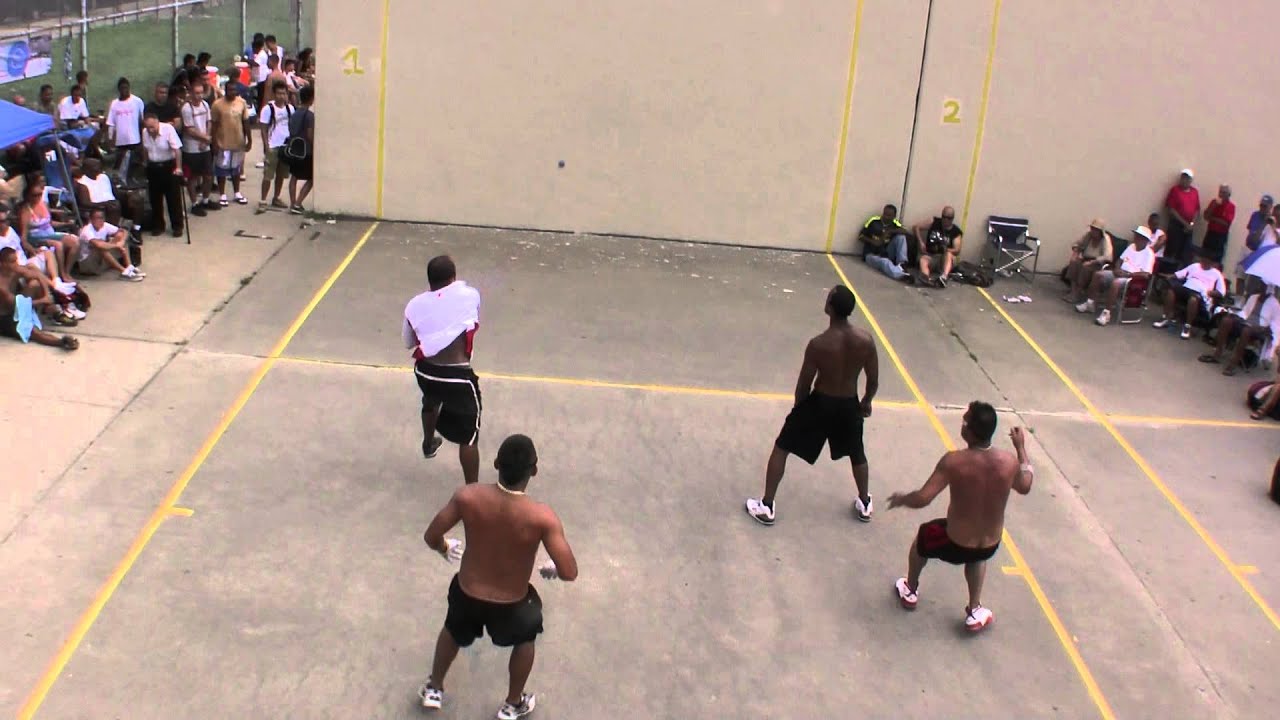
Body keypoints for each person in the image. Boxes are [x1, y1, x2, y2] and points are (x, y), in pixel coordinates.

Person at [418, 434, 578, 719]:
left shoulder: (468, 497)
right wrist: (553, 568)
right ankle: (512, 703)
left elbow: (432, 535)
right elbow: (569, 572)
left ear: (495, 463)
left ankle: (434, 687)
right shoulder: (542, 517)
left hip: (468, 591)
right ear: (535, 470)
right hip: (513, 603)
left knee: (452, 631)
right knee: (526, 639)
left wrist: (445, 548)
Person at [888, 401, 1032, 633]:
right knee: (977, 558)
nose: (962, 423)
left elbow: (924, 498)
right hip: (990, 543)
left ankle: (910, 589)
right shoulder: (1009, 462)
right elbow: (1025, 485)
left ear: (970, 431)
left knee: (923, 539)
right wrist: (1021, 448)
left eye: (964, 420)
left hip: (954, 540)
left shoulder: (954, 462)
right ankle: (974, 610)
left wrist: (902, 499)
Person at [746, 285, 879, 525]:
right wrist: (866, 402)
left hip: (821, 403)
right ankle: (865, 503)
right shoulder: (866, 341)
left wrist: (798, 411)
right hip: (848, 405)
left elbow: (803, 385)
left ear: (829, 307)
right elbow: (873, 379)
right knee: (857, 452)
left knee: (782, 446)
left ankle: (766, 505)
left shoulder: (819, 344)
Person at [405, 256, 483, 483]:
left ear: (429, 281)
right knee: (469, 437)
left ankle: (428, 443)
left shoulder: (414, 305)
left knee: (431, 399)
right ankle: (472, 491)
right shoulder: (470, 295)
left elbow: (408, 342)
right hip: (458, 378)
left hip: (425, 372)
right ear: (454, 277)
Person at [0, 247, 79, 350]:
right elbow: (16, 304)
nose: (16, 263)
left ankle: (54, 312)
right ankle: (62, 342)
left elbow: (38, 276)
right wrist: (42, 300)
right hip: (6, 316)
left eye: (16, 260)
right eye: (12, 262)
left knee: (34, 284)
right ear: (2, 264)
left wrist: (47, 295)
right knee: (32, 331)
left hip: (20, 306)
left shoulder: (16, 269)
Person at [1077, 226, 1155, 326]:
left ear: (1144, 240)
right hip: (1120, 272)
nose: (1135, 237)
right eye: (1136, 235)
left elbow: (1146, 274)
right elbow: (1119, 260)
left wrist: (1128, 274)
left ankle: (1106, 313)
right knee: (1098, 275)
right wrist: (1117, 269)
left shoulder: (1149, 254)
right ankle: (1090, 303)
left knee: (1116, 283)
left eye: (1138, 236)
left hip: (1132, 279)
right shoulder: (1131, 247)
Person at [1199, 284, 1280, 376]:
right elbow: (1245, 312)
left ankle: (1233, 363)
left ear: (1269, 290)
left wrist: (1269, 333)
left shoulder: (1275, 304)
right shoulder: (1253, 297)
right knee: (1227, 320)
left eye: (1263, 287)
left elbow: (1276, 326)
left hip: (1260, 329)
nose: (1260, 288)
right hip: (1246, 323)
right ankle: (1217, 354)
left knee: (1246, 330)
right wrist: (1235, 316)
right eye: (1261, 286)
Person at [17, 178, 80, 286]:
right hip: (35, 237)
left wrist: (65, 224)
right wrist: (31, 249)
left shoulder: (42, 204)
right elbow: (23, 236)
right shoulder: (25, 211)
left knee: (75, 241)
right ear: (28, 195)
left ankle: (66, 271)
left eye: (40, 194)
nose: (38, 197)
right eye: (34, 195)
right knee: (58, 245)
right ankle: (62, 275)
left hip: (49, 233)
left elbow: (50, 223)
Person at [1152, 250, 1228, 339]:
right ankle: (1166, 318)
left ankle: (1187, 326)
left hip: (1200, 294)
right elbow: (1179, 274)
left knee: (1193, 299)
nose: (1204, 262)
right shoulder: (1194, 266)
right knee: (1171, 291)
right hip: (1186, 288)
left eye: (1207, 261)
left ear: (1212, 263)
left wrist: (1209, 292)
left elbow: (1222, 292)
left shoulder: (1217, 274)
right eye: (1203, 260)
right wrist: (1168, 276)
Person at [209, 75, 253, 206]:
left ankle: (237, 193)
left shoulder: (242, 103)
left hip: (238, 143)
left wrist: (249, 140)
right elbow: (214, 125)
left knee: (236, 169)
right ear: (225, 90)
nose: (232, 93)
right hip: (223, 143)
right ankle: (222, 195)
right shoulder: (217, 105)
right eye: (229, 90)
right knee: (221, 170)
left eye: (234, 90)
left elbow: (246, 122)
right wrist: (214, 142)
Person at [140, 113, 185, 237]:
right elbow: (145, 149)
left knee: (173, 199)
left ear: (157, 123)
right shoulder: (145, 133)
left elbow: (177, 150)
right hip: (153, 167)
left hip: (168, 166)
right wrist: (145, 163)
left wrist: (179, 167)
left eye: (152, 127)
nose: (150, 130)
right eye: (148, 127)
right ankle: (158, 225)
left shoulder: (168, 129)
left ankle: (177, 226)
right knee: (155, 199)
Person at [180, 78, 216, 215]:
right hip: (191, 149)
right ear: (190, 93)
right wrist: (205, 138)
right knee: (192, 177)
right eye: (196, 93)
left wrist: (206, 139)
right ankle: (194, 203)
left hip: (204, 147)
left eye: (201, 93)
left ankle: (205, 200)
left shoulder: (205, 105)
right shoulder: (186, 109)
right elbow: (189, 129)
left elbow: (209, 122)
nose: (199, 96)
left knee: (208, 175)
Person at [77, 208, 144, 281]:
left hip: (100, 262)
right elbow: (99, 245)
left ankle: (129, 267)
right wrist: (116, 245)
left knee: (120, 237)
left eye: (101, 218)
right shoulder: (87, 230)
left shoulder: (105, 225)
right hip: (88, 265)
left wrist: (122, 242)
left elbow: (123, 231)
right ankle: (124, 272)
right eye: (96, 218)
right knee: (102, 248)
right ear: (91, 219)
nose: (99, 220)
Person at [258, 82, 293, 210]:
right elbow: (263, 129)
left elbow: (291, 125)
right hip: (273, 146)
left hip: (285, 146)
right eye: (279, 93)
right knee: (268, 175)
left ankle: (276, 197)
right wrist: (266, 146)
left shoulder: (290, 108)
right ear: (274, 94)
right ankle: (263, 200)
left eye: (283, 93)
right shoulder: (268, 109)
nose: (281, 96)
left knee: (281, 174)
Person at [1063, 219, 1114, 303]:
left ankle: (1078, 293)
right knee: (1074, 263)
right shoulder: (1088, 235)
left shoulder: (1105, 239)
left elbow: (1108, 256)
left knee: (1085, 267)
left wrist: (1092, 262)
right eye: (1092, 228)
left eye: (1095, 229)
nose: (1093, 231)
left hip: (1097, 263)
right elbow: (1077, 244)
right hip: (1085, 258)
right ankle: (1073, 291)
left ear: (1100, 231)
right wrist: (1076, 251)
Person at [912, 206, 963, 287]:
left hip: (943, 258)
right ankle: (926, 277)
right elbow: (916, 227)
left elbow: (957, 250)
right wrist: (921, 242)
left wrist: (946, 249)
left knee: (949, 254)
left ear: (952, 219)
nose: (945, 220)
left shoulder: (955, 232)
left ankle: (944, 277)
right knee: (923, 259)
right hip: (931, 256)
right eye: (944, 217)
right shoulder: (934, 222)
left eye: (948, 218)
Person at [860, 205, 910, 282]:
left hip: (886, 252)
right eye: (885, 214)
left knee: (901, 237)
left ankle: (902, 264)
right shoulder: (874, 221)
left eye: (889, 215)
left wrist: (890, 231)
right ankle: (901, 275)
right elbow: (860, 236)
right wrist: (873, 242)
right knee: (885, 262)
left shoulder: (895, 223)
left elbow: (906, 231)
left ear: (894, 216)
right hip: (871, 254)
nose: (886, 217)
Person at [106, 78, 146, 172]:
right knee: (121, 162)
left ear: (129, 88)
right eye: (122, 88)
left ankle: (134, 179)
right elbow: (111, 123)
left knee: (135, 162)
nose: (124, 90)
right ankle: (121, 180)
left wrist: (143, 136)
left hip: (135, 139)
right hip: (120, 141)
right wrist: (110, 138)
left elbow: (143, 120)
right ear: (119, 89)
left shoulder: (137, 101)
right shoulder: (114, 104)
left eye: (126, 88)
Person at [287, 85, 315, 214]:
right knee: (311, 178)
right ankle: (298, 203)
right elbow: (310, 135)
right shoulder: (309, 116)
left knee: (294, 177)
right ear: (311, 98)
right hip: (307, 151)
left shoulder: (294, 113)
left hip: (294, 149)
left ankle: (293, 203)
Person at [1164, 169, 1200, 265]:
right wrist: (1185, 224)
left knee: (1185, 254)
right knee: (1172, 250)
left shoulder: (1194, 192)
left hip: (1189, 228)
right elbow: (1171, 209)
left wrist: (1191, 224)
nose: (1184, 180)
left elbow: (1197, 209)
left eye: (1187, 178)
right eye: (1183, 177)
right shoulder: (1175, 190)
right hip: (1176, 226)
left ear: (1190, 180)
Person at [1202, 184, 1236, 264]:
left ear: (1228, 194)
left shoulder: (1231, 206)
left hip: (1220, 236)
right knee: (1205, 255)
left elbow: (1226, 223)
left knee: (1216, 259)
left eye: (1224, 193)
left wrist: (1213, 218)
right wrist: (1213, 206)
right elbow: (1206, 217)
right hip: (1210, 233)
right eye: (1220, 192)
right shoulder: (1214, 202)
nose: (1221, 195)